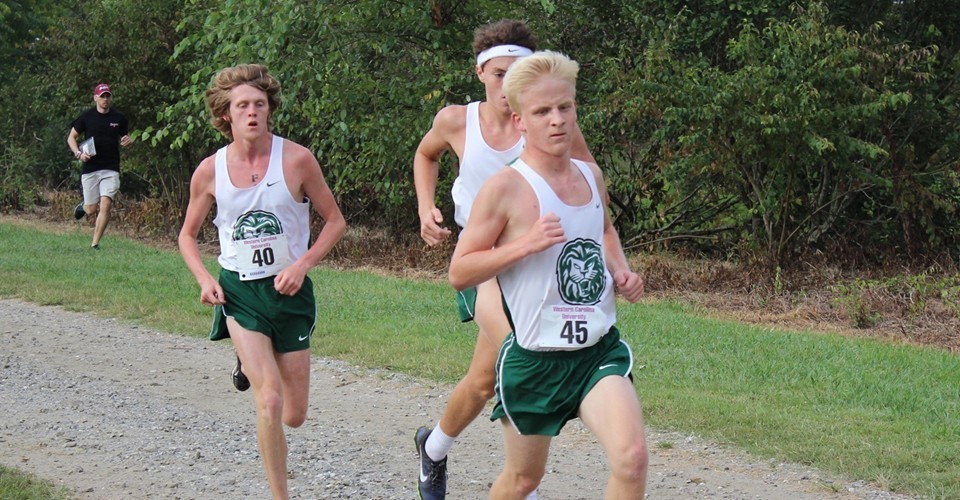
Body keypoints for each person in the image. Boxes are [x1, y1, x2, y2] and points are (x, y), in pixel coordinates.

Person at [448, 51, 648, 499]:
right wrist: (526, 244)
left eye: (565, 107)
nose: (557, 120)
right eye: (542, 112)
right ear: (520, 120)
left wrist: (621, 270)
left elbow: (603, 229)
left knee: (632, 458)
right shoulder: (505, 187)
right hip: (535, 359)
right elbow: (460, 272)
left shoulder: (591, 175)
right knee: (523, 480)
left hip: (596, 351)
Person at [412, 20, 595, 499]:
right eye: (499, 74)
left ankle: (433, 447)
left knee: (482, 380)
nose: (507, 84)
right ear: (480, 73)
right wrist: (425, 207)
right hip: (484, 262)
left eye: (518, 74)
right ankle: (523, 484)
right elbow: (426, 155)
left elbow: (589, 176)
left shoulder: (545, 122)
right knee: (522, 350)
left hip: (538, 261)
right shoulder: (456, 121)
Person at [177, 64, 346, 500]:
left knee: (294, 415)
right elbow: (187, 236)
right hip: (240, 291)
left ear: (270, 109)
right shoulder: (209, 171)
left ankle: (252, 359)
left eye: (259, 104)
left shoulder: (297, 159)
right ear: (226, 114)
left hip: (289, 291)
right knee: (269, 400)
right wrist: (204, 279)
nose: (252, 112)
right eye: (242, 106)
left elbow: (335, 221)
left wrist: (302, 264)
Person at [67, 82, 132, 249]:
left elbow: (125, 137)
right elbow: (71, 138)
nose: (105, 99)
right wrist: (79, 154)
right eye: (102, 96)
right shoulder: (86, 117)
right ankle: (84, 206)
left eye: (108, 96)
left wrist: (127, 140)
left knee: (106, 204)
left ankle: (95, 244)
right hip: (91, 168)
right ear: (95, 98)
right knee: (91, 209)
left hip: (111, 168)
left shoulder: (119, 118)